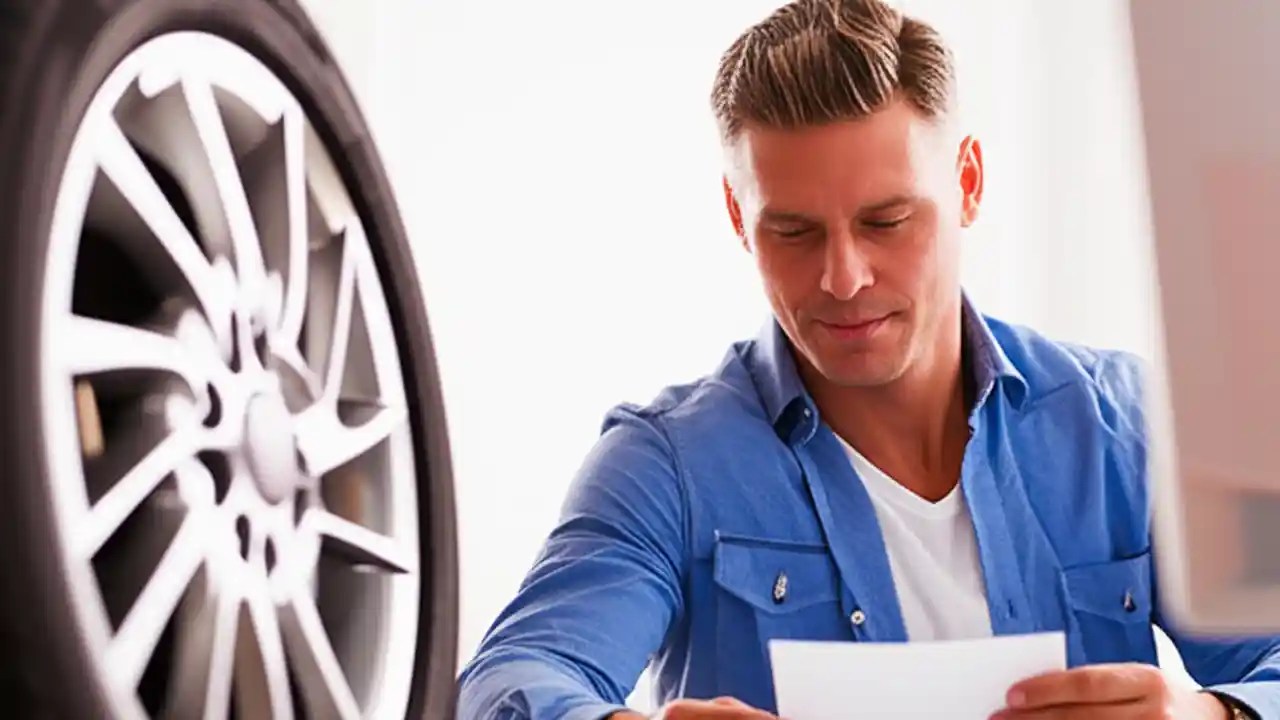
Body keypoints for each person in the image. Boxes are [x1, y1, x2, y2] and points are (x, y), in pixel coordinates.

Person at [456, 0, 1280, 717]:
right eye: (794, 231)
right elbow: (514, 677)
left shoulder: (1124, 425)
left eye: (887, 221)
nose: (843, 278)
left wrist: (1213, 713)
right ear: (738, 217)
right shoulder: (665, 465)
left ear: (967, 184)